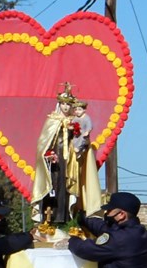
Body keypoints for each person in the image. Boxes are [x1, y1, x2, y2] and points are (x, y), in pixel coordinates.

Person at [30, 85, 101, 223]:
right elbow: (44, 142)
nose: (66, 107)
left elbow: (81, 139)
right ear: (59, 104)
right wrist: (49, 154)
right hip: (55, 160)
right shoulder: (52, 121)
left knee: (66, 187)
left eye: (68, 104)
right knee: (54, 185)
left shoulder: (75, 121)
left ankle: (66, 219)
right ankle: (49, 218)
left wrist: (82, 143)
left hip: (70, 159)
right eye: (63, 104)